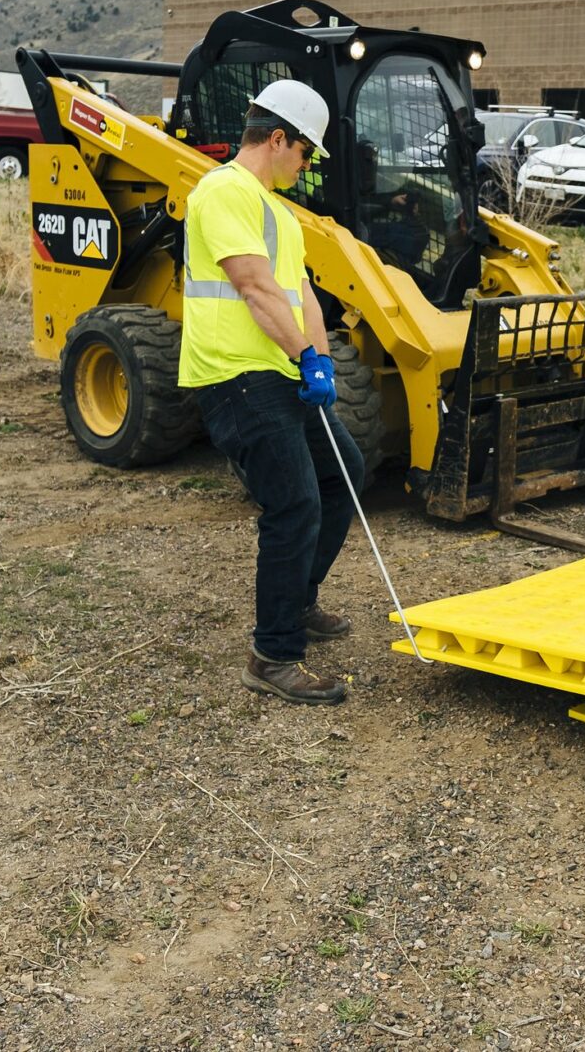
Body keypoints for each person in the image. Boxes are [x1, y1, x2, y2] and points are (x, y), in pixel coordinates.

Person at [180, 79, 364, 707]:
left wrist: (322, 361)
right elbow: (255, 289)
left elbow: (302, 295)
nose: (307, 166)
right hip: (235, 376)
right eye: (306, 153)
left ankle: (298, 599)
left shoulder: (280, 213)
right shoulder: (222, 192)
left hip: (281, 372)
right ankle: (273, 654)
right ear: (277, 137)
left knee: (344, 478)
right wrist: (305, 355)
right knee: (294, 505)